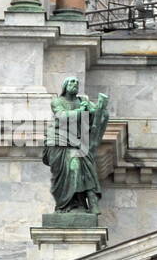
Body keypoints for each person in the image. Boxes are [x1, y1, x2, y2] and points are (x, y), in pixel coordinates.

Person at [44, 78, 109, 213]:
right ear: (65, 86)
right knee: (68, 170)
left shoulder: (82, 101)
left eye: (76, 83)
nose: (74, 84)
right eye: (71, 82)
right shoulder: (57, 101)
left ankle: (80, 203)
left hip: (76, 143)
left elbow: (97, 116)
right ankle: (66, 204)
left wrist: (96, 110)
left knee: (80, 167)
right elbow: (62, 116)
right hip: (58, 142)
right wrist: (81, 111)